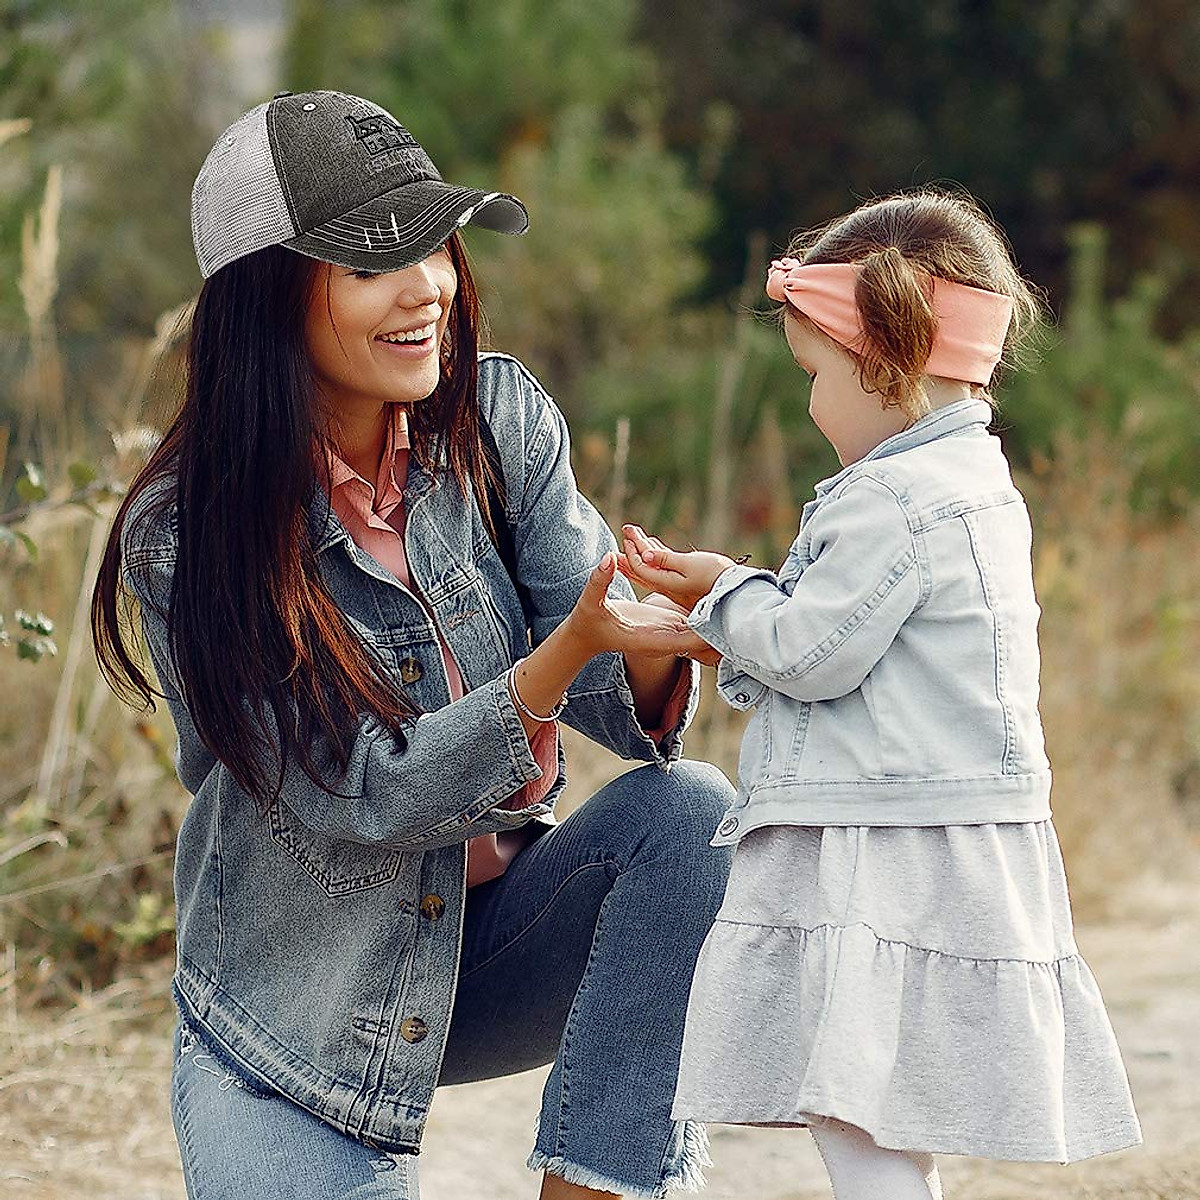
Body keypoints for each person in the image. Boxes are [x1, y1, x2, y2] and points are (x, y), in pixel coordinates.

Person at [90, 89, 733, 1200]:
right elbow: (361, 790)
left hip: (489, 947)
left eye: (433, 243)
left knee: (693, 820)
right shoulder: (186, 533)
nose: (428, 285)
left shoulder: (496, 420)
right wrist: (555, 662)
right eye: (370, 261)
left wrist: (644, 640)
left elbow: (599, 664)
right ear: (265, 296)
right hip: (299, 1021)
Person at [618, 190, 1142, 1200]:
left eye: (815, 375)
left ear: (888, 363)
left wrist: (727, 593)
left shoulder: (895, 500)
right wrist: (726, 601)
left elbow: (811, 650)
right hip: (941, 824)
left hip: (883, 843)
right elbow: (848, 639)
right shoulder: (975, 482)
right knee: (881, 1096)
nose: (812, 405)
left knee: (852, 1094)